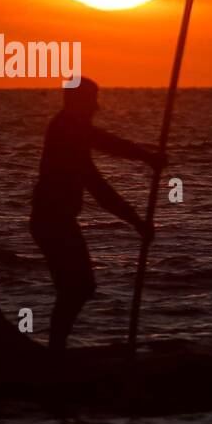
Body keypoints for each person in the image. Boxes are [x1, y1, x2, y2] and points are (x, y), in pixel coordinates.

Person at [29, 77, 165, 350]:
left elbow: (106, 142)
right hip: (52, 223)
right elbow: (97, 186)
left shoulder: (73, 128)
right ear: (76, 102)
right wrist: (136, 220)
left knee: (77, 288)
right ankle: (54, 354)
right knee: (77, 288)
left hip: (58, 221)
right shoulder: (65, 130)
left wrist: (145, 156)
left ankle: (56, 351)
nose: (95, 108)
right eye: (90, 102)